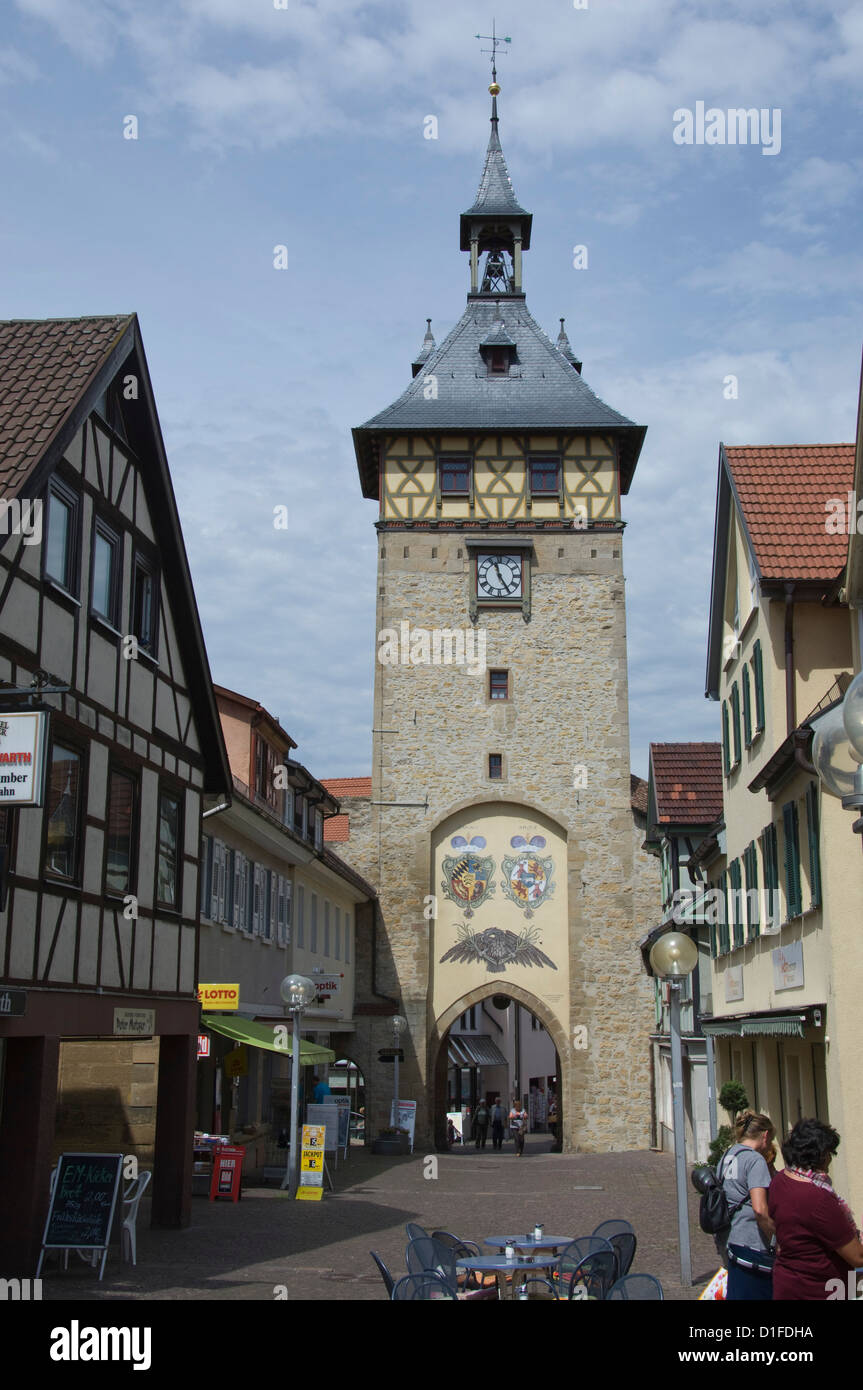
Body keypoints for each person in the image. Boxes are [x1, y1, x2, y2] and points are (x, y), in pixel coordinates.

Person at [768, 1117, 863, 1301]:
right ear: (820, 1155)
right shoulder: (817, 1199)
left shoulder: (780, 1181)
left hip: (787, 1284)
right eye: (829, 1153)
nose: (830, 1160)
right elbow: (857, 1257)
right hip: (817, 1290)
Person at [718, 1110, 776, 1301]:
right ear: (765, 1136)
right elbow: (760, 1210)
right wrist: (776, 1241)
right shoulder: (755, 1160)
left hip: (728, 1239)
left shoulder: (727, 1155)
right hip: (751, 1245)